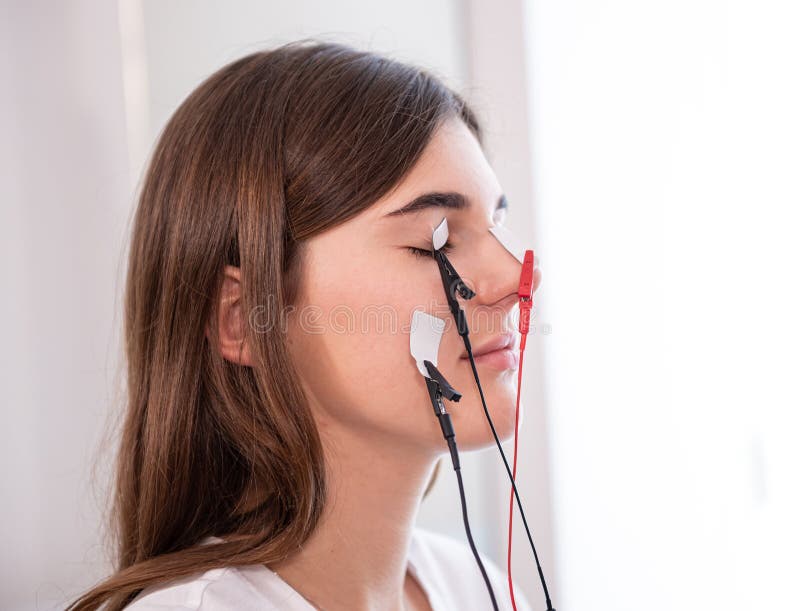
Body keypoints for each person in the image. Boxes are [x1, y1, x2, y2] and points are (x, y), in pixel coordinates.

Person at [68, 38, 542, 611]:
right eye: (435, 241)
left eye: (498, 223)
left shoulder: (477, 587)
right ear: (241, 320)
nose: (519, 276)